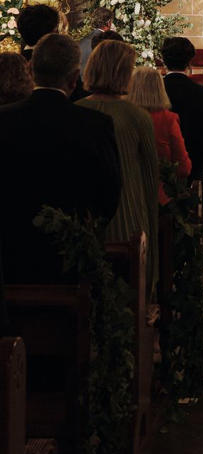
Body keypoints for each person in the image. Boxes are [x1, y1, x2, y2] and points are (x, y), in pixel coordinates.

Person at [0, 33, 122, 283]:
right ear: (74, 78)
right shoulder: (94, 125)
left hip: (8, 251)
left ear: (31, 71)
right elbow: (109, 191)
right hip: (70, 257)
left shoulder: (4, 120)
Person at [78, 39, 159, 291]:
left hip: (85, 217)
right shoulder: (137, 116)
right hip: (129, 218)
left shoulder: (77, 110)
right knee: (128, 294)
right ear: (124, 73)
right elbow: (149, 178)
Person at [127, 67, 191, 205]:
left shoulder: (125, 117)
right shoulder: (167, 119)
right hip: (160, 198)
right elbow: (183, 166)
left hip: (128, 195)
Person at [160, 36, 203, 179]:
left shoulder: (153, 92)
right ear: (189, 61)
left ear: (163, 60)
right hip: (193, 168)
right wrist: (196, 169)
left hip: (157, 171)